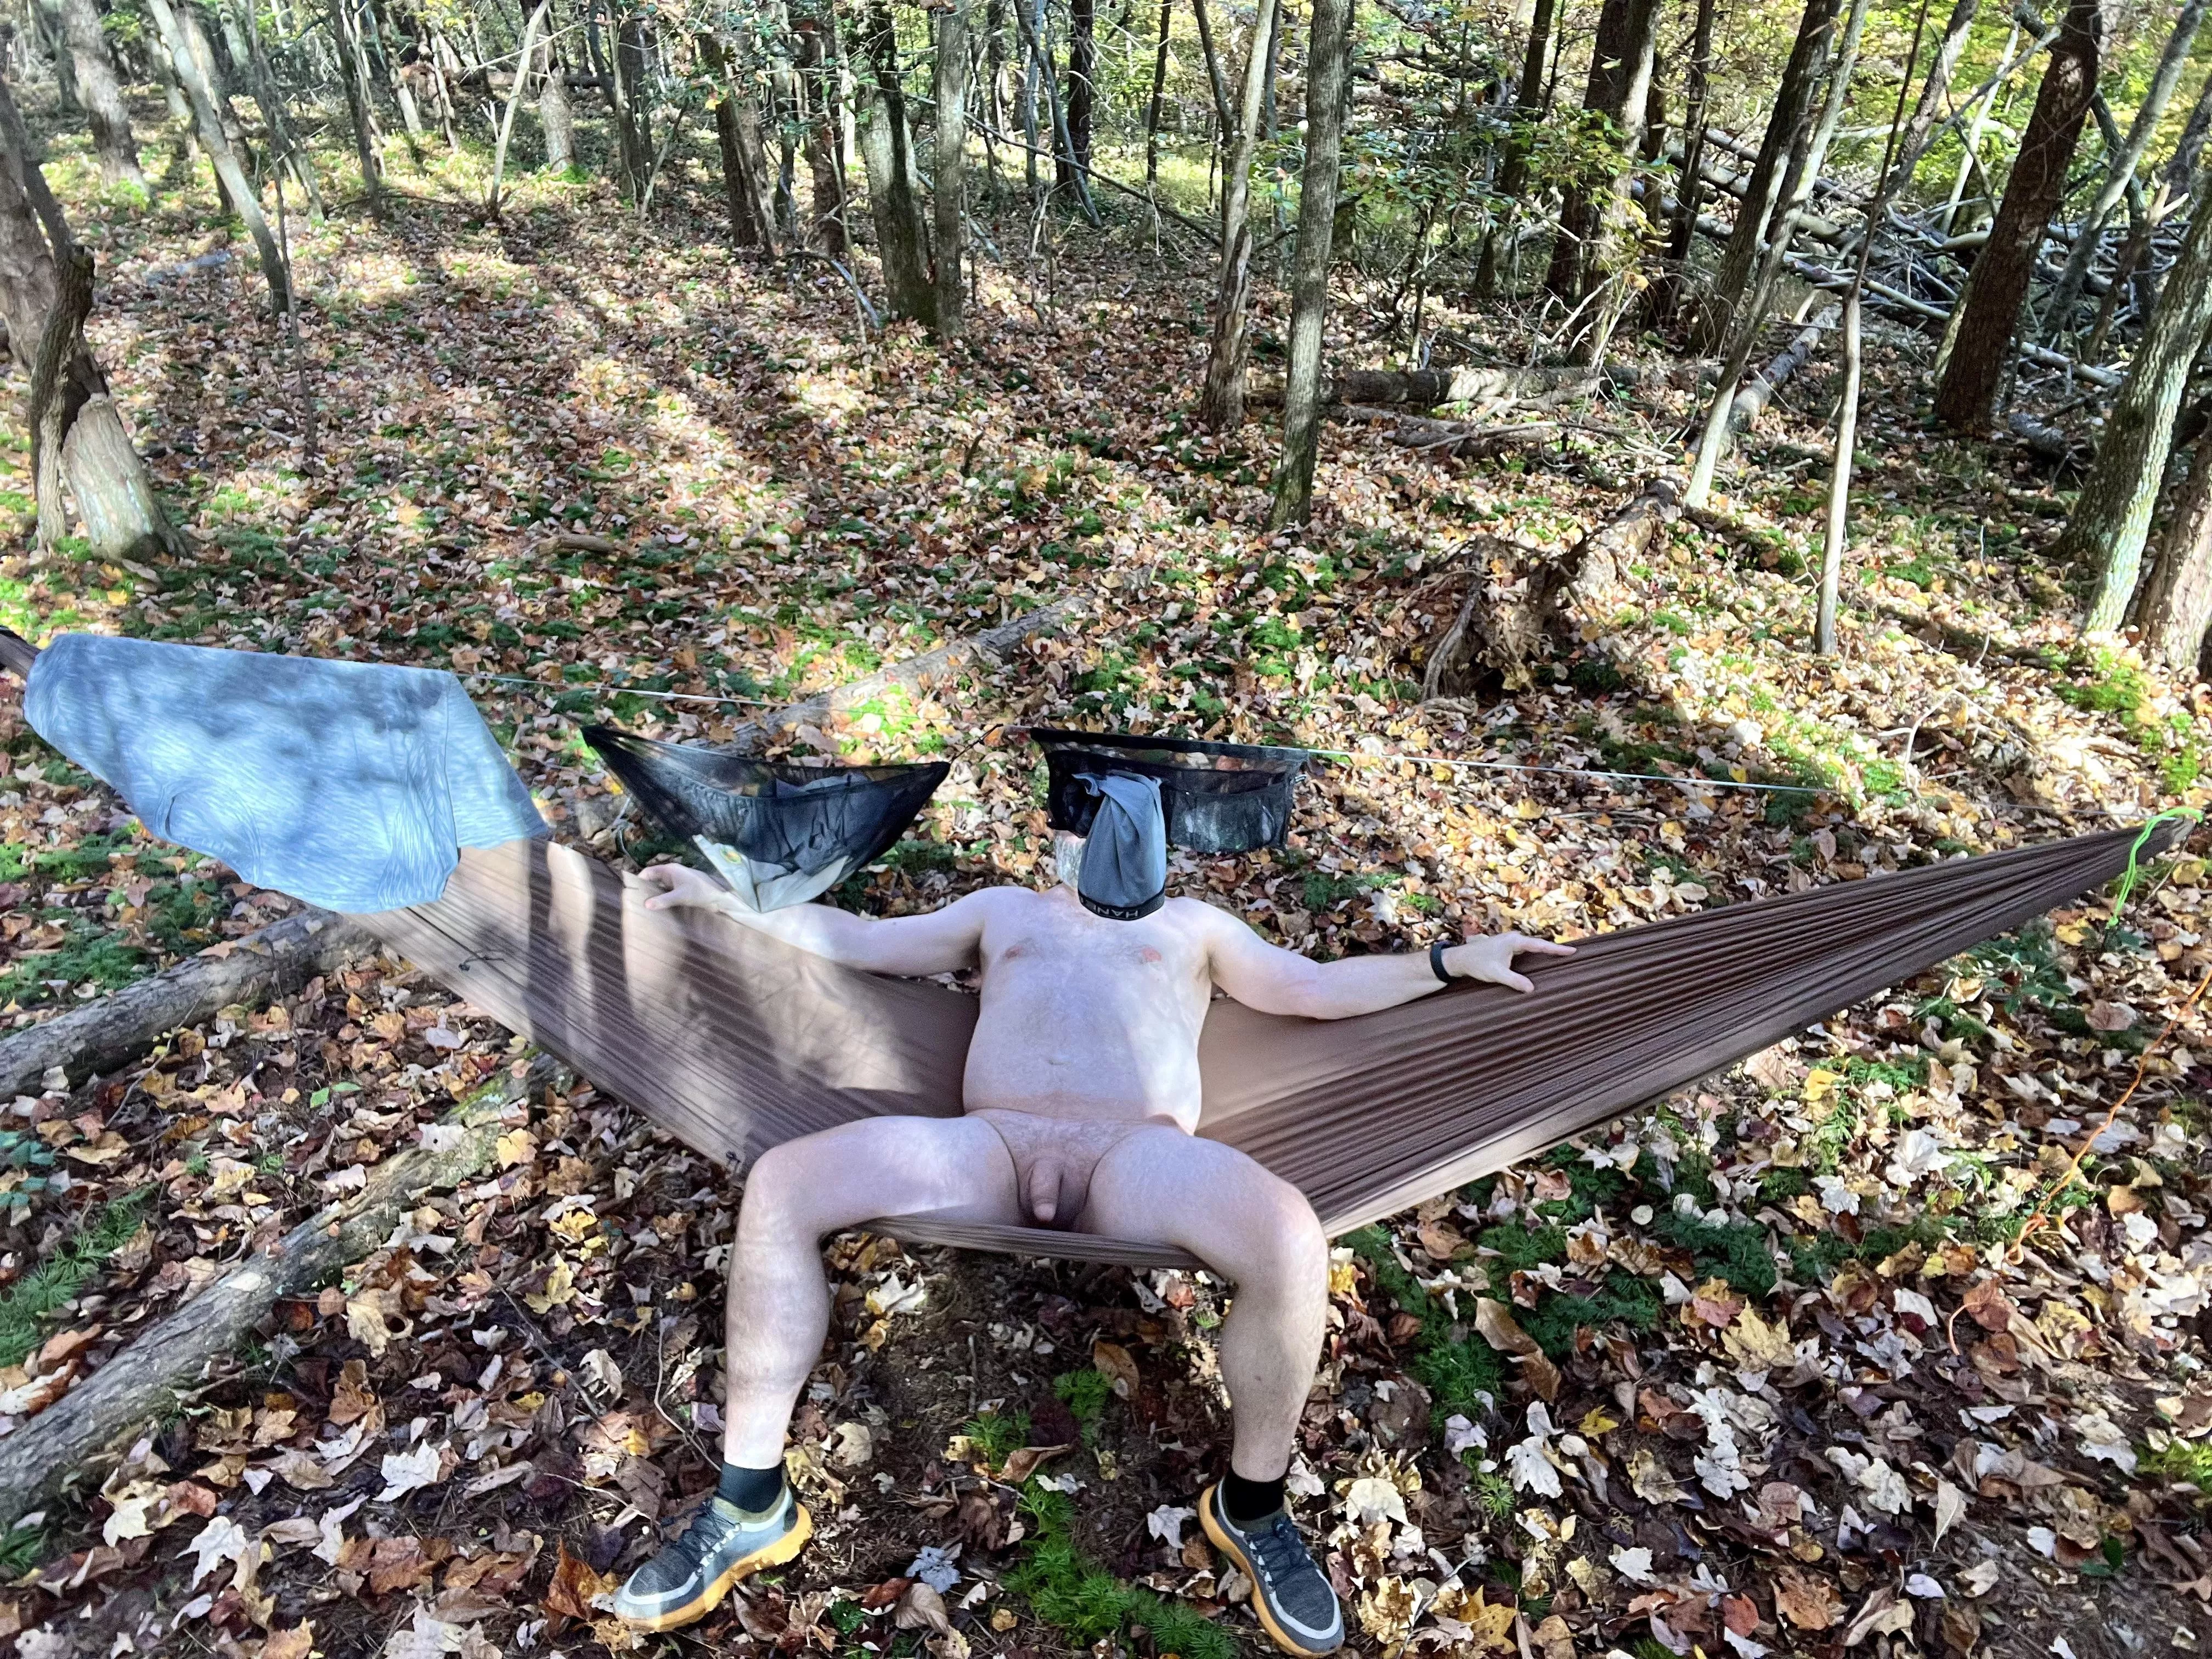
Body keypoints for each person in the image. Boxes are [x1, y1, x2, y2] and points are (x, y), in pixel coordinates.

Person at [610, 822, 1572, 1652]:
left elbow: (1312, 988)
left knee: (1288, 1234)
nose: (1100, 837)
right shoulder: (1003, 913)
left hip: (1135, 1155)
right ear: (1060, 834)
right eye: (1086, 814)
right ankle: (751, 1501)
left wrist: (1448, 961)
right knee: (783, 1184)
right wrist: (730, 902)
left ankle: (1251, 1506)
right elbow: (862, 941)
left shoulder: (1192, 926)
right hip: (990, 1144)